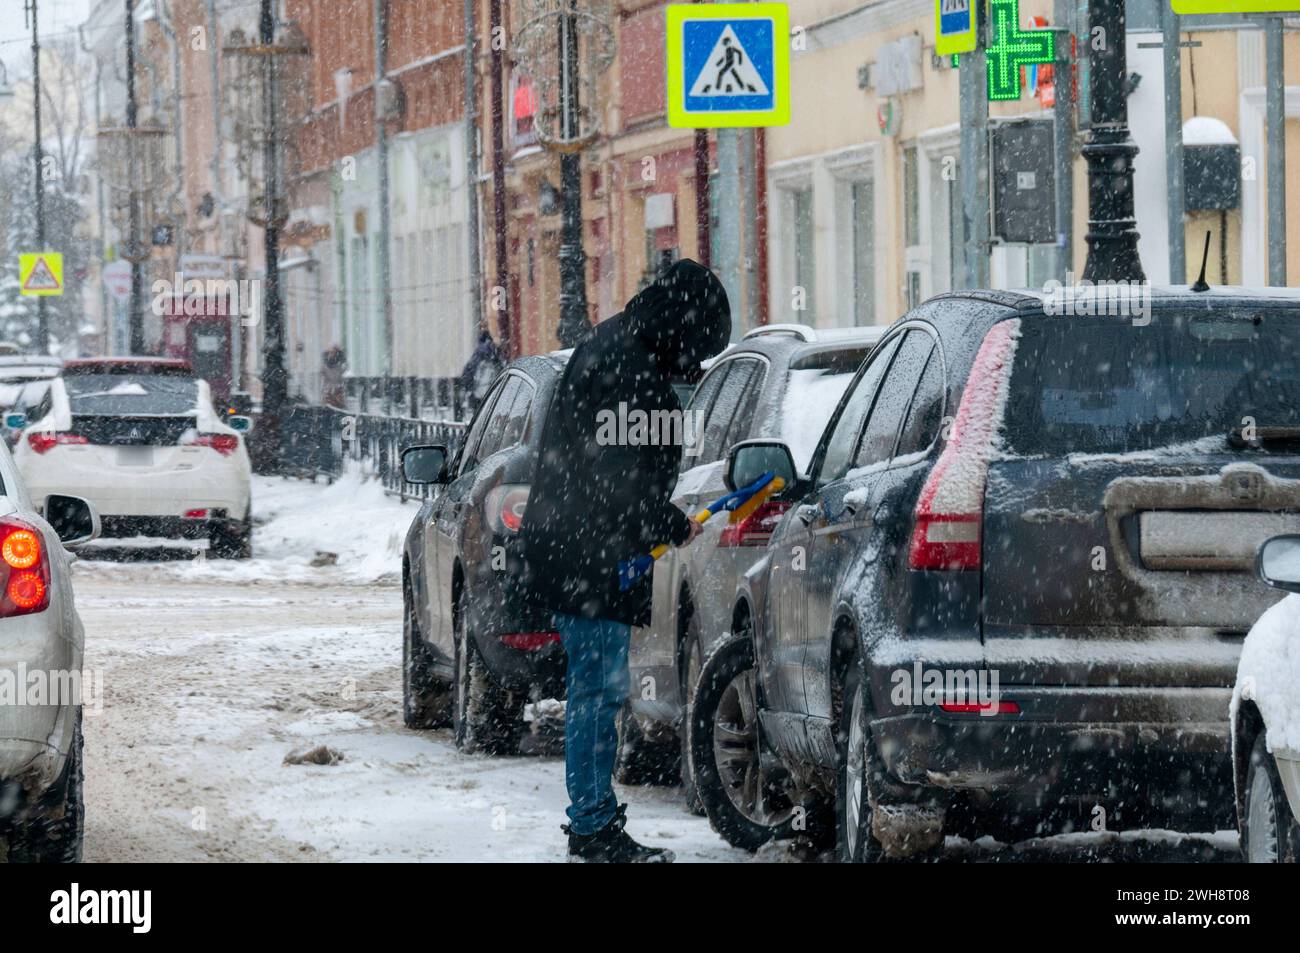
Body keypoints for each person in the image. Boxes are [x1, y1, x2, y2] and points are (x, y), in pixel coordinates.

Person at [518, 259, 730, 863]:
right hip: (585, 555)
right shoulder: (623, 368)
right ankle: (590, 824)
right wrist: (668, 522)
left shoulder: (619, 349)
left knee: (598, 689)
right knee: (597, 692)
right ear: (678, 326)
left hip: (582, 549)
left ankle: (593, 817)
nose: (693, 365)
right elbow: (615, 478)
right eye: (696, 348)